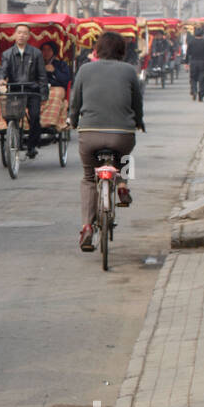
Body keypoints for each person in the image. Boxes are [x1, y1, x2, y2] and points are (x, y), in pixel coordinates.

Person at [68, 31, 144, 252]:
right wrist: (138, 122)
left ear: (97, 50)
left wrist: (73, 121)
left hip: (89, 134)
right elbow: (137, 103)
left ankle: (87, 227)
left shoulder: (84, 69)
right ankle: (122, 184)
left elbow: (75, 102)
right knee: (127, 156)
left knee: (89, 178)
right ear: (122, 51)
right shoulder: (130, 71)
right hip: (122, 134)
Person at [0, 23, 48, 158]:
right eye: (19, 32)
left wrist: (43, 96)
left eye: (24, 33)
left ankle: (31, 145)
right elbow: (3, 69)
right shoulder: (7, 54)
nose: (21, 35)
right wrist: (1, 79)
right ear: (14, 35)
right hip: (15, 90)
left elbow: (42, 75)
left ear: (29, 36)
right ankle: (15, 136)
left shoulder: (36, 53)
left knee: (35, 116)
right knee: (10, 116)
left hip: (32, 90)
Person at [187, 24, 204, 102]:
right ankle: (201, 95)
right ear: (202, 34)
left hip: (193, 62)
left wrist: (186, 63)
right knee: (202, 79)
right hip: (203, 62)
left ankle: (194, 91)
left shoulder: (191, 42)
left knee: (193, 78)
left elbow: (188, 53)